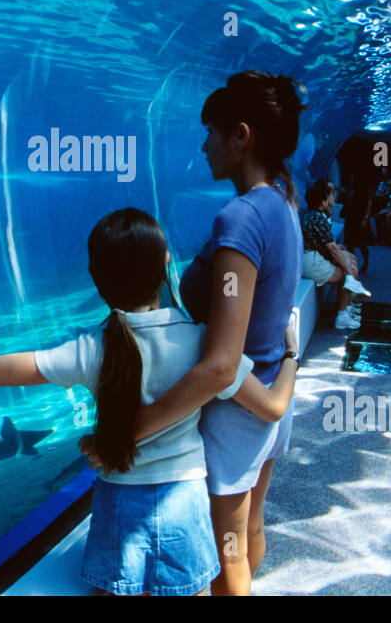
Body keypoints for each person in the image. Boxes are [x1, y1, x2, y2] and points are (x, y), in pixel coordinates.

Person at [0, 208, 298, 596]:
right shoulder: (203, 344)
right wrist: (291, 358)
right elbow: (273, 407)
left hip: (116, 510)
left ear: (96, 278)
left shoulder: (90, 350)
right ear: (165, 264)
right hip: (185, 506)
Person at [119, 71, 303, 596]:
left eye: (211, 133)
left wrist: (133, 429)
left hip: (235, 414)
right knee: (250, 532)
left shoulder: (240, 219)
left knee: (227, 561)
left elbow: (221, 362)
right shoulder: (285, 203)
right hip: (267, 396)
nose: (203, 146)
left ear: (240, 137)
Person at [302, 179, 372, 331]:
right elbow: (331, 247)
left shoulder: (313, 215)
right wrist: (347, 271)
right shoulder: (317, 217)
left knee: (350, 261)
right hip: (310, 262)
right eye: (331, 195)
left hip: (311, 257)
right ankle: (342, 316)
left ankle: (346, 309)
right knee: (350, 271)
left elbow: (324, 244)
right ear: (324, 199)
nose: (334, 198)